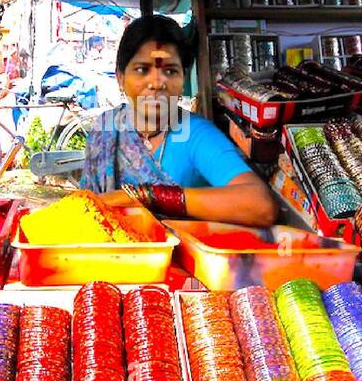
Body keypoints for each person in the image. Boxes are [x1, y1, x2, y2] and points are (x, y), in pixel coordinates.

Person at [79, 15, 278, 227]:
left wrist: (148, 197)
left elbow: (261, 206)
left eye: (170, 71)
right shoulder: (106, 129)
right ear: (120, 77)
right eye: (142, 69)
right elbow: (86, 209)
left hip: (180, 258)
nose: (156, 83)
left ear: (183, 80)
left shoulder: (195, 133)